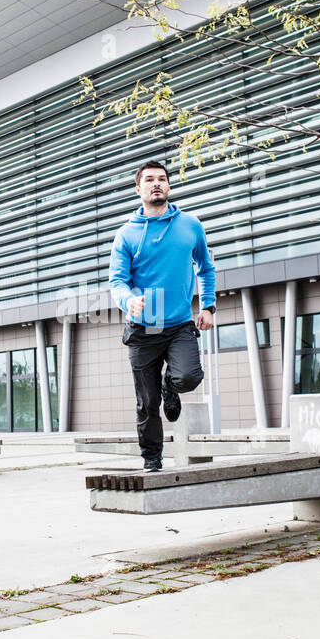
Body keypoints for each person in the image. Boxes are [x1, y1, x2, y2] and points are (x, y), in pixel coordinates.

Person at [108, 160, 216, 471]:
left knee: (188, 377)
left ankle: (172, 386)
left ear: (168, 186)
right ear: (138, 189)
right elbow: (117, 280)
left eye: (163, 179)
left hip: (180, 322)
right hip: (145, 326)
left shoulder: (190, 226)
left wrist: (207, 306)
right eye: (150, 180)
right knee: (147, 402)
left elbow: (205, 269)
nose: (157, 183)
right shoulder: (126, 234)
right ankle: (152, 458)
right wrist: (128, 301)